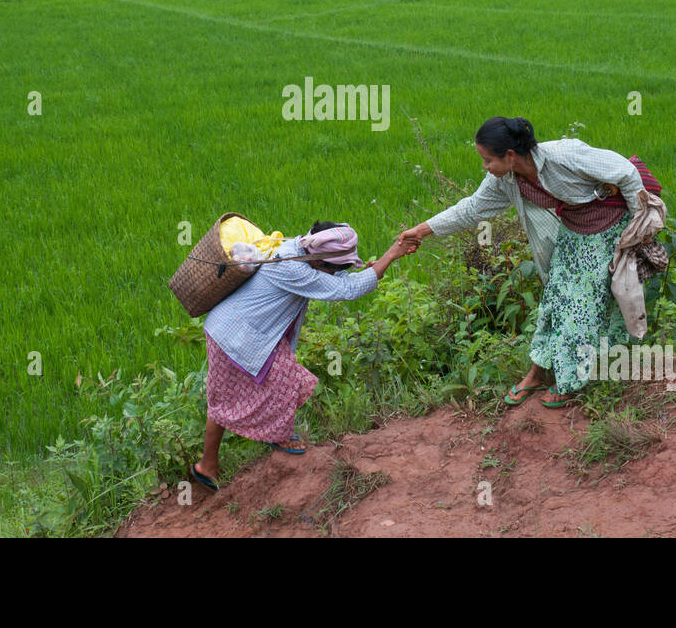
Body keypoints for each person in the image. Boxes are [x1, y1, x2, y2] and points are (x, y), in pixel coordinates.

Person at [398, 117, 644, 408]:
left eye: (488, 160)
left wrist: (639, 229)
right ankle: (537, 373)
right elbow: (472, 209)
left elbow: (627, 173)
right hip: (573, 234)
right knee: (553, 302)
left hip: (609, 233)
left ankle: (569, 382)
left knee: (580, 308)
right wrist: (422, 230)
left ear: (510, 155)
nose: (485, 167)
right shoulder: (505, 180)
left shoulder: (563, 155)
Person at [191, 222, 416, 491]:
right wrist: (391, 255)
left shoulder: (297, 250)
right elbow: (347, 290)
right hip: (235, 335)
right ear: (321, 261)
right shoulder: (292, 267)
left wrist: (368, 269)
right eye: (337, 267)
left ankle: (212, 463)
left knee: (230, 395)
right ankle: (265, 440)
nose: (338, 272)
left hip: (236, 330)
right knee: (282, 377)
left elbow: (337, 280)